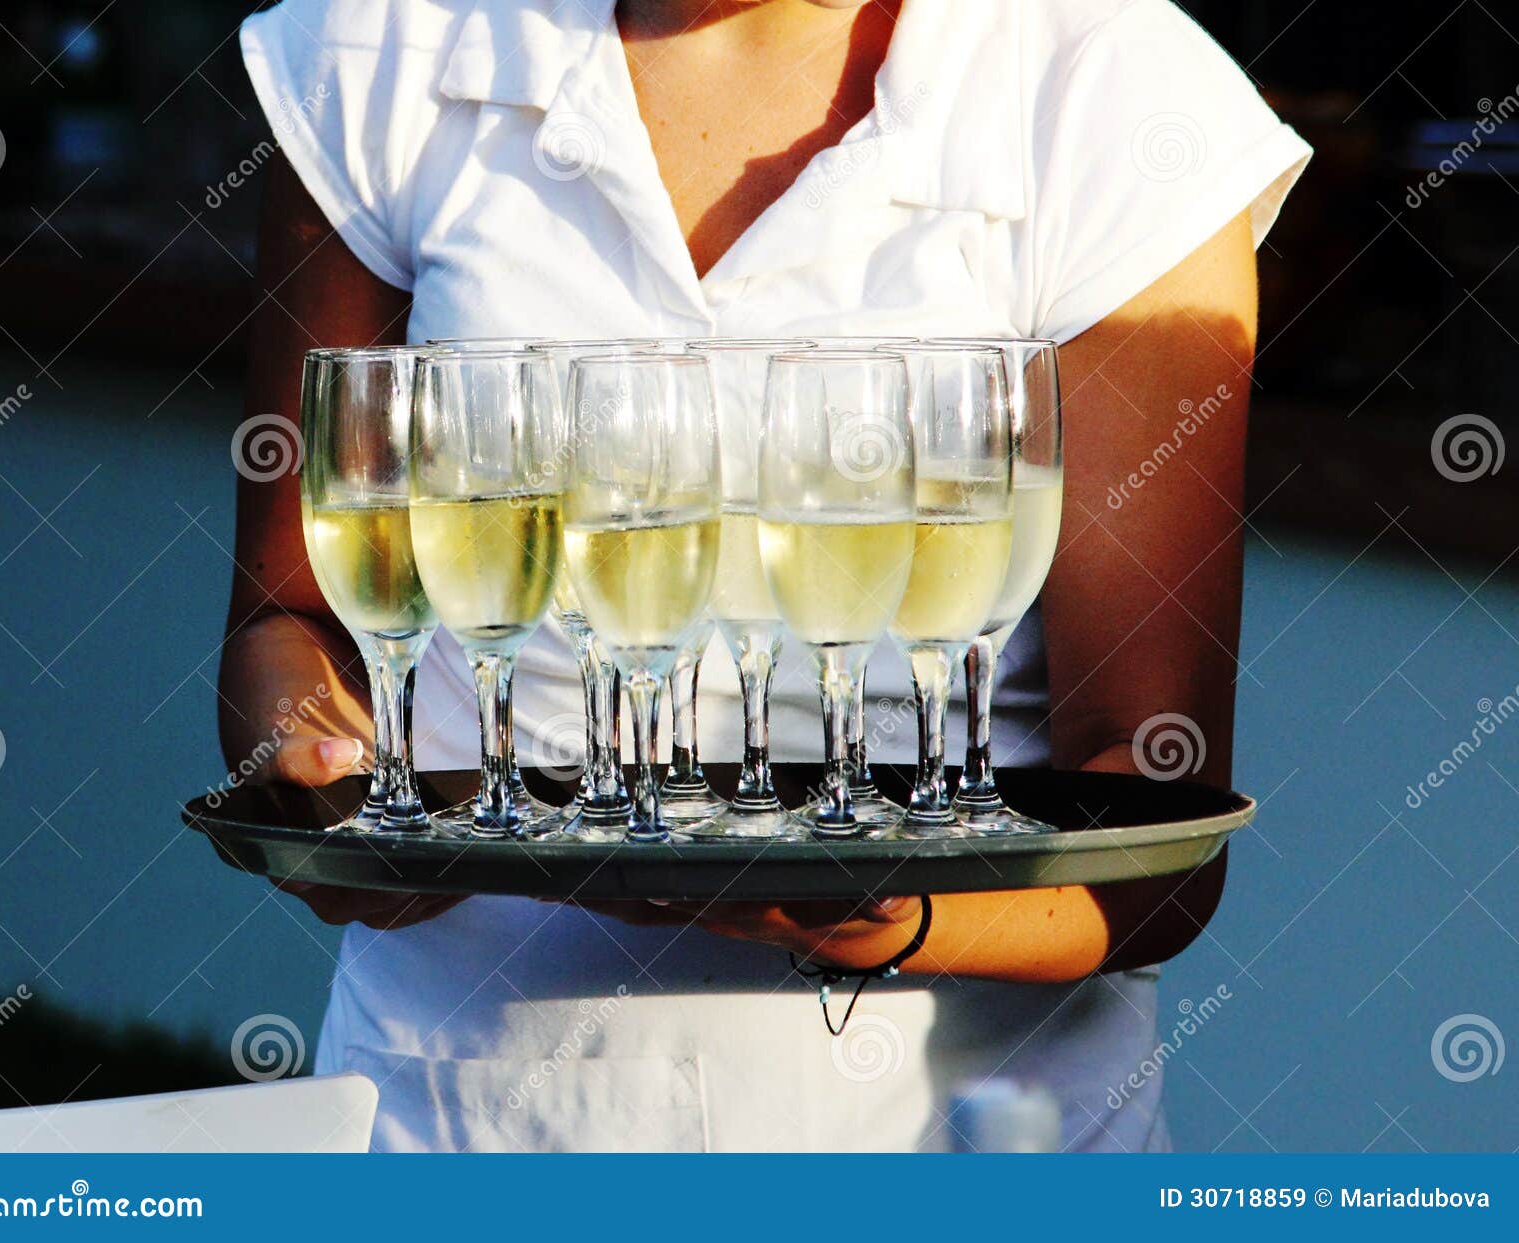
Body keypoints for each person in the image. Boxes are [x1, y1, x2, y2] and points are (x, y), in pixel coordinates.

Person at [222, 0, 1310, 1151]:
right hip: (457, 1121)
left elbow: (1152, 841)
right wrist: (324, 779)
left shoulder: (1110, 89)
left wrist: (881, 914)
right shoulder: (386, 44)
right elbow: (286, 615)